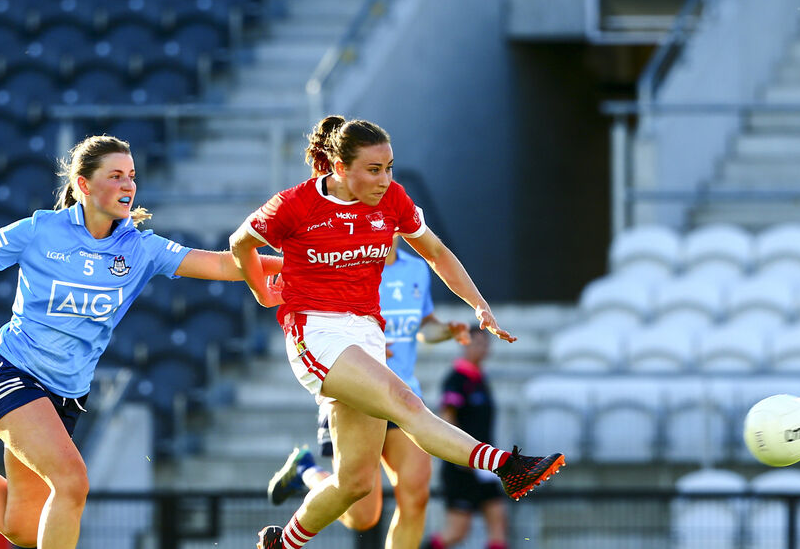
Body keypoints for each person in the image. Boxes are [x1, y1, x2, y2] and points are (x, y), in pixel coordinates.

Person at [0, 135, 283, 549]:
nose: (128, 185)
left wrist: (299, 267)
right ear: (83, 184)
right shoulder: (42, 229)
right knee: (72, 482)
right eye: (115, 176)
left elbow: (224, 265)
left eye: (132, 176)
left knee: (23, 529)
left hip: (67, 395)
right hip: (11, 375)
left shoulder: (141, 247)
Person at [229, 116, 564, 549]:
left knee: (354, 486)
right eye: (373, 170)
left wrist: (479, 304)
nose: (385, 179)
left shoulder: (393, 200)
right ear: (339, 168)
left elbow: (437, 253)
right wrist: (261, 291)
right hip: (316, 333)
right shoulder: (295, 204)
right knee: (407, 403)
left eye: (389, 168)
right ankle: (506, 466)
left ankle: (282, 544)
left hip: (367, 332)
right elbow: (240, 243)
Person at [267, 239, 472, 549]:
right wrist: (366, 348)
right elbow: (323, 327)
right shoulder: (344, 263)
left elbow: (422, 326)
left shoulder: (417, 268)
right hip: (353, 397)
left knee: (416, 497)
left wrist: (446, 330)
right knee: (362, 515)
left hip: (403, 398)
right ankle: (306, 470)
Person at [422, 326, 509, 549]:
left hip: (485, 464)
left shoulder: (481, 379)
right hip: (462, 465)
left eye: (485, 344)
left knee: (498, 521)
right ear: (464, 345)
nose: (481, 348)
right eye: (476, 343)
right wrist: (461, 452)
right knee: (457, 531)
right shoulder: (457, 379)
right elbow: (447, 417)